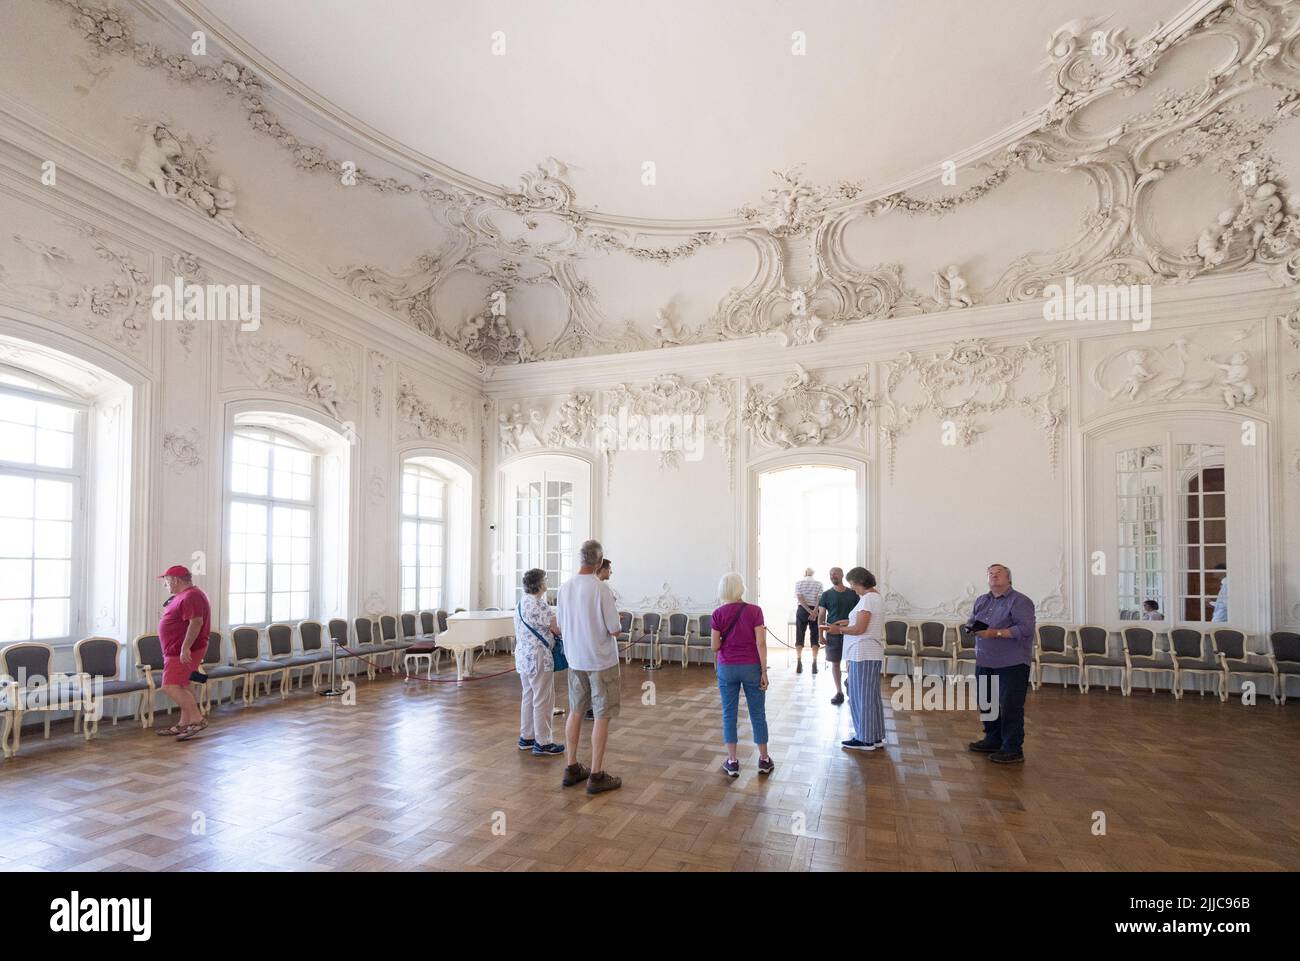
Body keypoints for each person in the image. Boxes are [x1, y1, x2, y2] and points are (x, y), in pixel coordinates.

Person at [556, 539, 623, 795]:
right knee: (602, 714)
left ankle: (571, 767)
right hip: (601, 661)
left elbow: (560, 624)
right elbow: (614, 629)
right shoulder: (601, 589)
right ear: (599, 560)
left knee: (575, 711)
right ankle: (596, 774)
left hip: (575, 659)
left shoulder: (565, 588)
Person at [965, 563, 1035, 765]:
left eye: (999, 573)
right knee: (987, 702)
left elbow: (1025, 629)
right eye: (990, 573)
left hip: (1012, 662)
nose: (994, 576)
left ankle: (1012, 748)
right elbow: (972, 621)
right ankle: (992, 739)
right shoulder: (982, 600)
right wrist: (971, 628)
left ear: (1009, 578)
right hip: (985, 659)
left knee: (1010, 705)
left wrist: (995, 633)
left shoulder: (1020, 601)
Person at [711, 572, 774, 776]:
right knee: (758, 713)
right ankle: (764, 759)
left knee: (729, 714)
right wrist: (764, 671)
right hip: (751, 667)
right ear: (741, 588)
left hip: (727, 667)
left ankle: (732, 761)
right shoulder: (755, 611)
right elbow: (761, 643)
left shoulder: (718, 614)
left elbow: (714, 646)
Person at [155, 565, 211, 742]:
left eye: (166, 581)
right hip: (177, 649)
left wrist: (185, 647)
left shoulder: (191, 595)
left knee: (170, 686)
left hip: (183, 651)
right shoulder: (185, 595)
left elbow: (196, 622)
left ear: (175, 580)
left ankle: (197, 719)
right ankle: (184, 723)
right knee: (183, 686)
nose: (165, 585)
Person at [514, 568, 565, 757]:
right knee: (543, 699)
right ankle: (543, 742)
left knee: (528, 696)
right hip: (538, 657)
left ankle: (526, 737)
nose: (547, 582)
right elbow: (557, 629)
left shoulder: (521, 603)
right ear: (540, 584)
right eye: (545, 579)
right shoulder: (540, 605)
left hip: (523, 656)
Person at [832, 567, 885, 750]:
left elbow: (860, 630)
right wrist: (847, 623)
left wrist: (838, 630)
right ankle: (875, 736)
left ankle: (865, 738)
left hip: (862, 653)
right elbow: (863, 624)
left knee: (859, 696)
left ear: (860, 582)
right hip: (870, 653)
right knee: (870, 696)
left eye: (853, 585)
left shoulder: (868, 599)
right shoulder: (875, 597)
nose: (853, 589)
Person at [817, 567, 856, 705]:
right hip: (832, 633)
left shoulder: (853, 593)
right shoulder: (826, 595)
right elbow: (821, 616)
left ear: (842, 575)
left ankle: (850, 685)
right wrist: (820, 635)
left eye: (835, 573)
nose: (832, 575)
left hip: (850, 632)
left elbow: (858, 614)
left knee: (851, 663)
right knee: (835, 663)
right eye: (830, 573)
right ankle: (839, 692)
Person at [794, 567, 823, 674]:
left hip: (802, 610)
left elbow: (800, 598)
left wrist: (808, 611)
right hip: (815, 610)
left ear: (805, 573)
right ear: (813, 574)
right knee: (815, 636)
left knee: (799, 635)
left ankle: (799, 662)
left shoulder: (799, 583)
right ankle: (814, 663)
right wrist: (814, 611)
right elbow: (820, 598)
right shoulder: (819, 584)